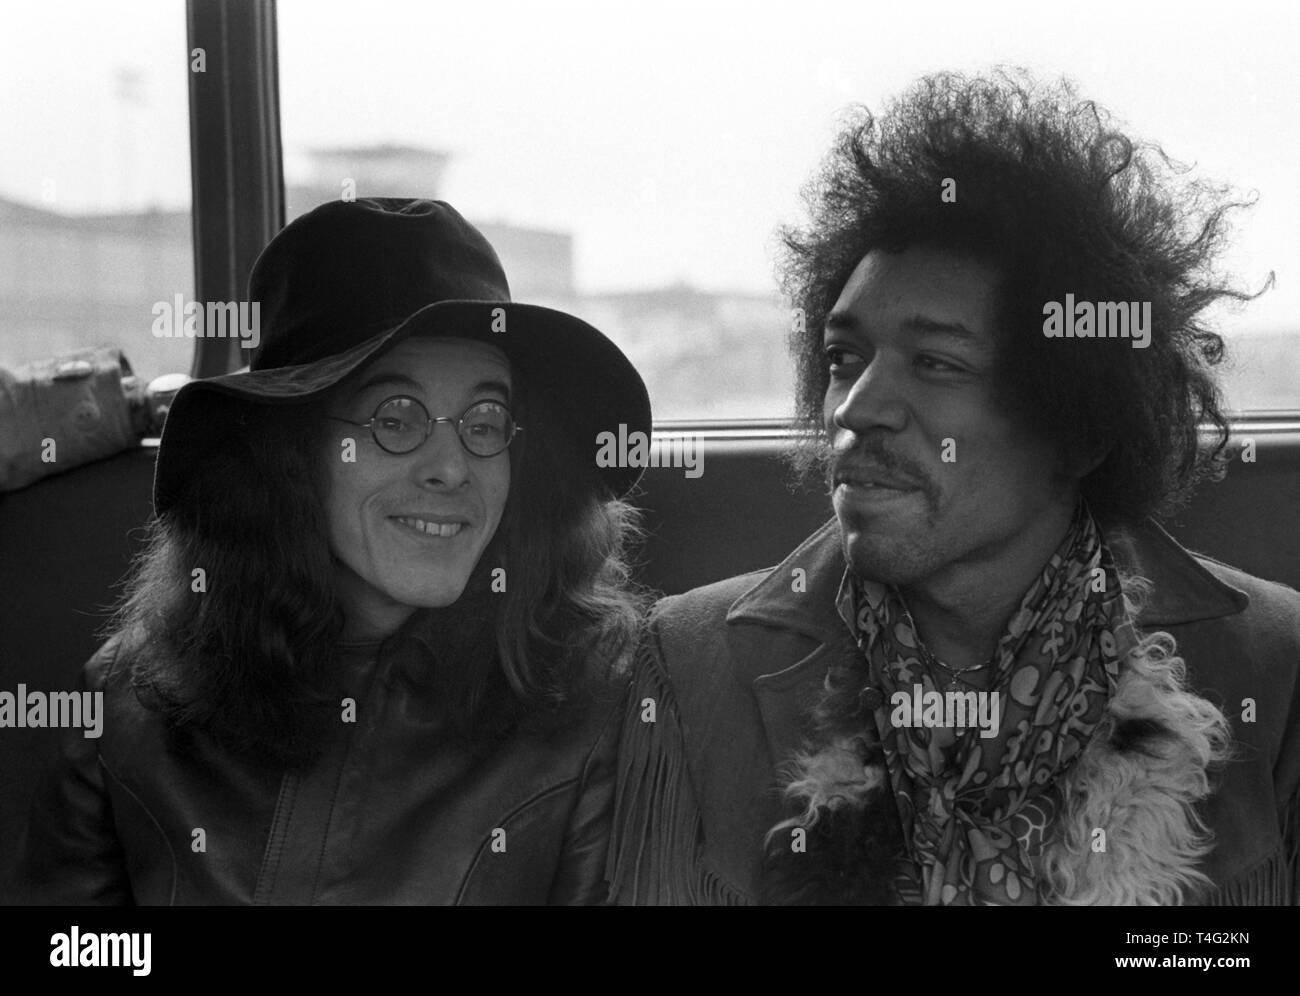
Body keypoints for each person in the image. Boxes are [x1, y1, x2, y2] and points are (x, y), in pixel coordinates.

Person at [608, 71, 1300, 905]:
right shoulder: (689, 662)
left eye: (936, 363)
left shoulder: (1275, 664)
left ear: (1077, 423)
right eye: (843, 359)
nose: (856, 409)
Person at [8, 197, 651, 905]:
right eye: (395, 418)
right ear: (288, 453)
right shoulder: (128, 705)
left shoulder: (598, 700)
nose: (452, 466)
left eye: (486, 419)